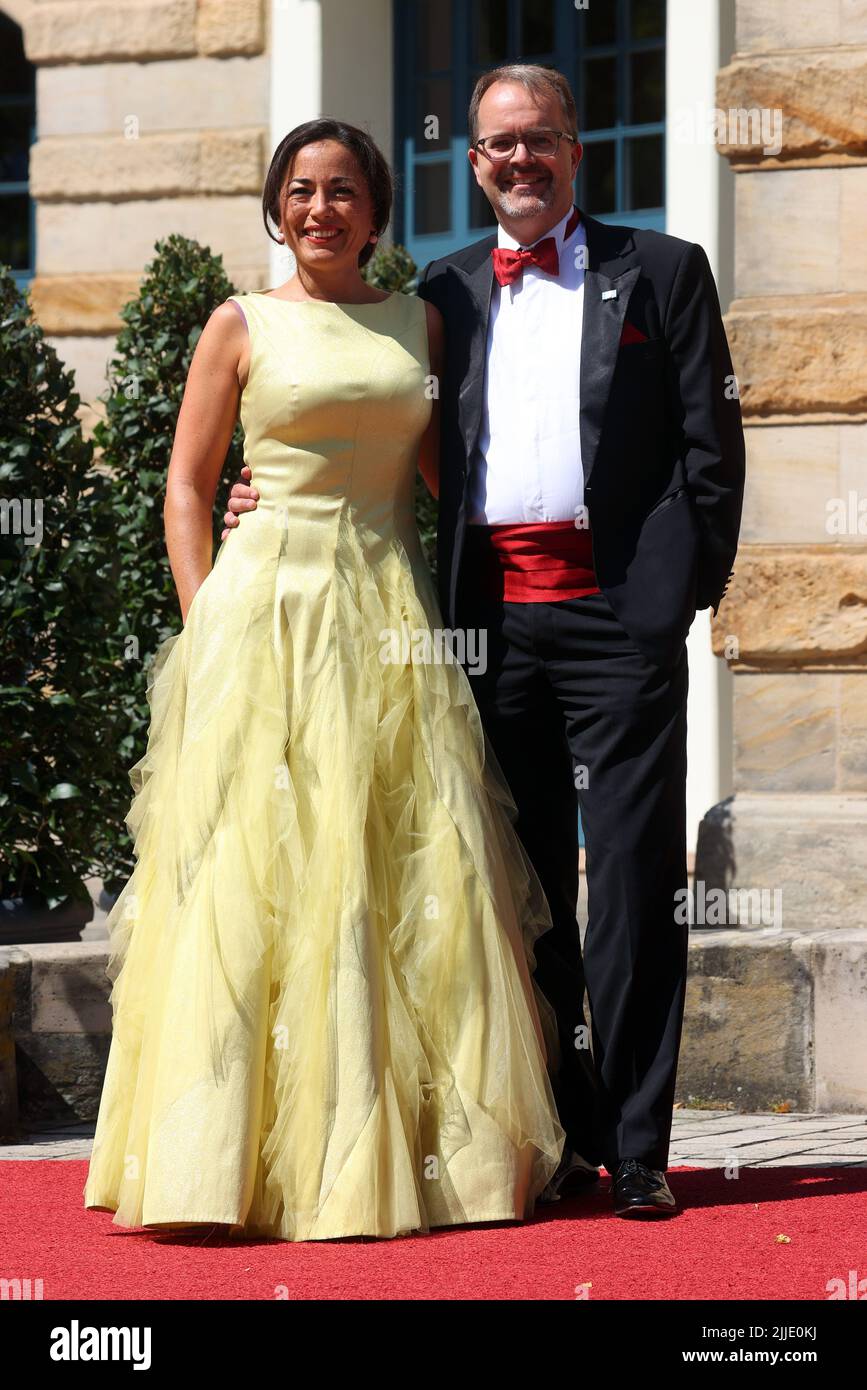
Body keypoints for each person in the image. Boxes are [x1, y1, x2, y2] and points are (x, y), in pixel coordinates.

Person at [226, 67, 746, 1218]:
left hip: (619, 622)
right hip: (485, 626)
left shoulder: (661, 271)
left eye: (541, 141)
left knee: (632, 879)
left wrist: (676, 603)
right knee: (518, 894)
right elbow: (377, 433)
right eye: (498, 146)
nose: (521, 161)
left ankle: (643, 1146)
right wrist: (263, 500)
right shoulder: (442, 297)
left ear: (575, 150)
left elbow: (713, 450)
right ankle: (558, 1133)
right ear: (470, 163)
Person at [83, 118, 567, 1243]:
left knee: (405, 873)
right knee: (257, 875)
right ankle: (218, 1166)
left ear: (375, 208)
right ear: (276, 202)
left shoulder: (423, 325)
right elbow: (188, 493)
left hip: (390, 623)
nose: (319, 210)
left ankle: (404, 1162)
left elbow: (458, 484)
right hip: (265, 619)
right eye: (300, 190)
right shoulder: (237, 323)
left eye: (343, 190)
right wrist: (207, 632)